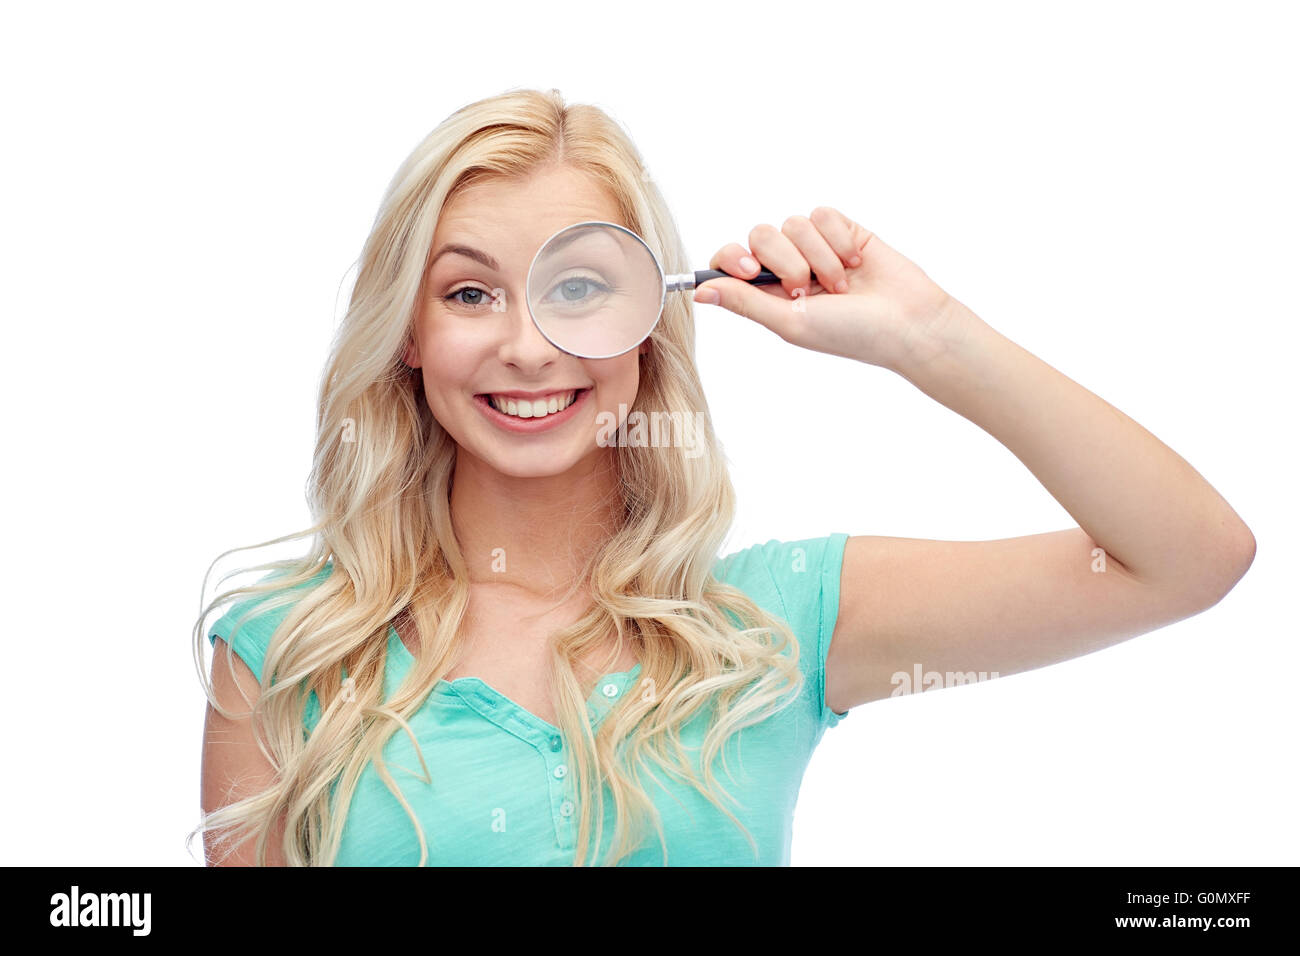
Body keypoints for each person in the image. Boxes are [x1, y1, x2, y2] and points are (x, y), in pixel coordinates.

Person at [191, 87, 1255, 867]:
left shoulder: (776, 623)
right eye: (470, 294)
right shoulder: (287, 650)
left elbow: (1188, 557)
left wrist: (928, 337)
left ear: (651, 323)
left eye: (578, 286)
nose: (526, 345)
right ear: (407, 333)